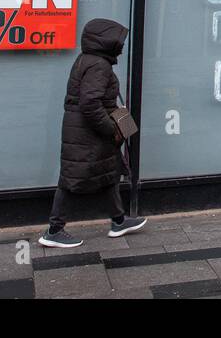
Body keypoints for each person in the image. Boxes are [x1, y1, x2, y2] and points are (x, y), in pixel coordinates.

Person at [40, 18, 148, 248]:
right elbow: (90, 103)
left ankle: (118, 221)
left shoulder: (89, 60)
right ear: (106, 42)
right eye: (118, 40)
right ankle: (53, 230)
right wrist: (112, 130)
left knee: (108, 172)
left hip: (86, 129)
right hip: (88, 132)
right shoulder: (99, 65)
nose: (121, 45)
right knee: (72, 178)